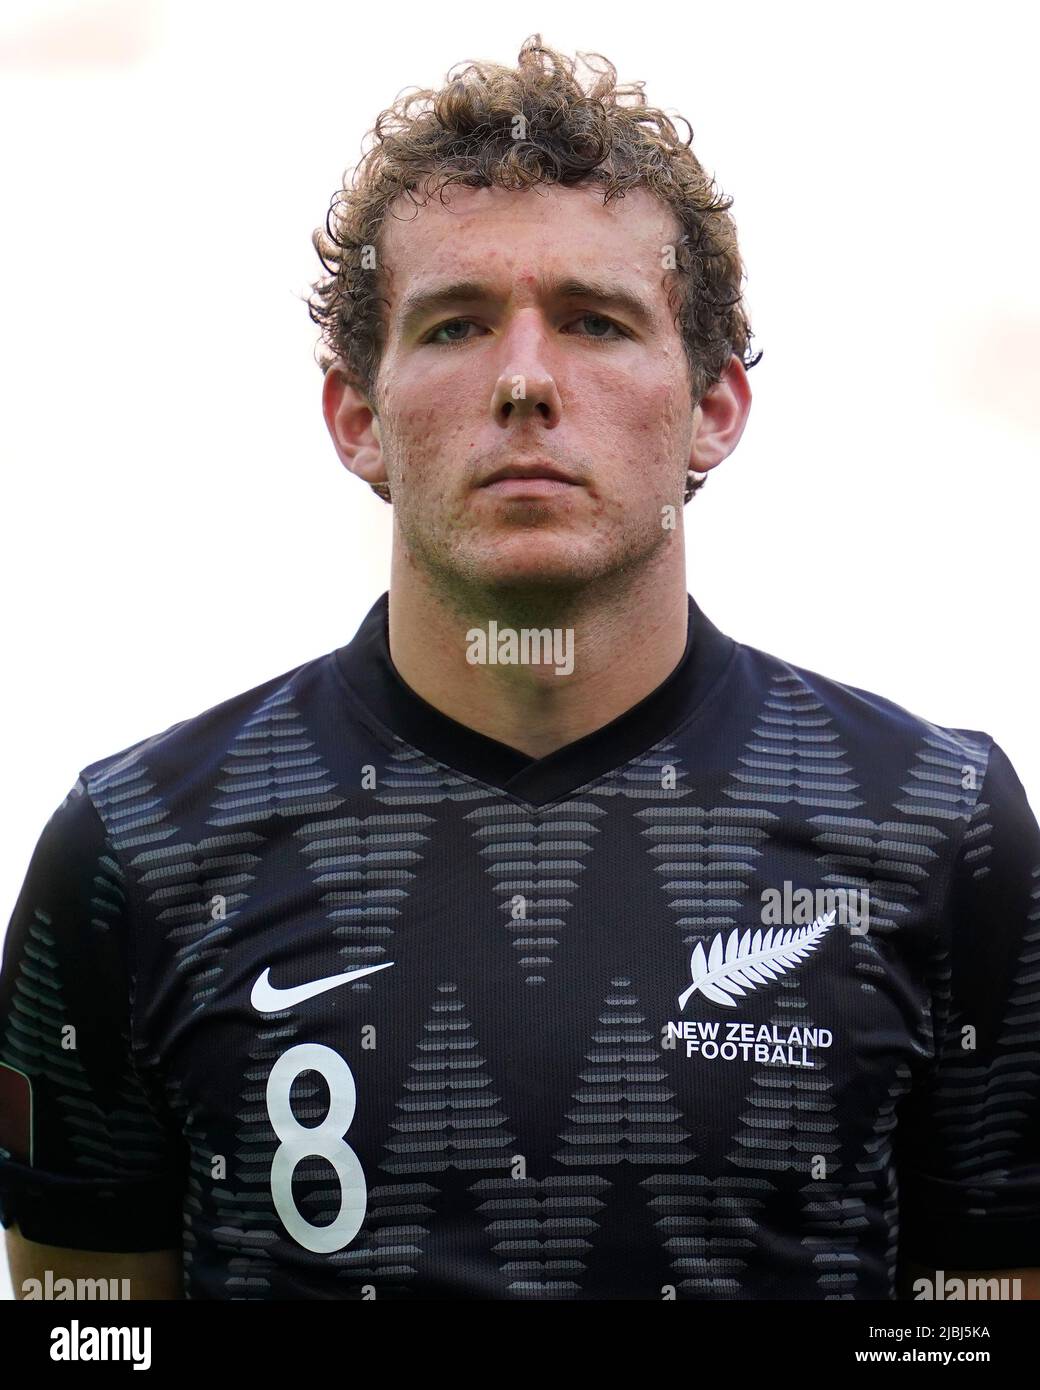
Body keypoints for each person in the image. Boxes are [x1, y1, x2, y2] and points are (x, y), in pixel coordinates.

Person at [2, 34, 1037, 1302]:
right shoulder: (135, 850)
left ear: (713, 405)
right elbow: (84, 1327)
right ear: (356, 418)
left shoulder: (939, 826)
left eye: (596, 322)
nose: (527, 381)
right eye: (455, 326)